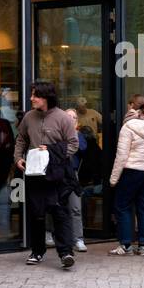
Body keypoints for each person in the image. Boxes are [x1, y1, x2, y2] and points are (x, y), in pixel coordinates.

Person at [13, 81, 78, 270]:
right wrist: (18, 158)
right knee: (36, 214)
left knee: (59, 212)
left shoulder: (63, 118)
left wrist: (51, 151)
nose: (31, 98)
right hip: (34, 172)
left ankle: (65, 252)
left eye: (35, 95)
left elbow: (73, 144)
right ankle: (37, 251)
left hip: (57, 174)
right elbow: (21, 139)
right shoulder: (28, 117)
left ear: (46, 97)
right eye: (32, 95)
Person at [108, 95, 144, 256]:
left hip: (132, 171)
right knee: (143, 208)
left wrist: (113, 179)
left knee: (122, 206)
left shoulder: (128, 126)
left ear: (131, 106)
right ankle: (143, 245)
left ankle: (125, 245)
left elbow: (122, 155)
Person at [64, 107, 88, 253]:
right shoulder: (57, 134)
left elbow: (83, 148)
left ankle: (78, 239)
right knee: (54, 205)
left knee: (75, 207)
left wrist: (73, 133)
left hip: (72, 175)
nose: (70, 119)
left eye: (73, 117)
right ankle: (49, 233)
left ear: (76, 121)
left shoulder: (79, 135)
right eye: (67, 117)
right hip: (57, 173)